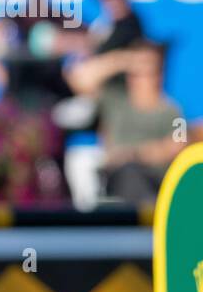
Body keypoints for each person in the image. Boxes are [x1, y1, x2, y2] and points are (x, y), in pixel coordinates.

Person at [65, 39, 187, 202]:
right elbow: (79, 79)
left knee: (133, 174)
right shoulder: (114, 100)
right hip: (117, 179)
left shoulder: (172, 110)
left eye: (148, 70)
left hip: (156, 183)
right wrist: (124, 59)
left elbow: (178, 145)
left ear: (159, 74)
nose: (139, 78)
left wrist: (134, 154)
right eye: (135, 72)